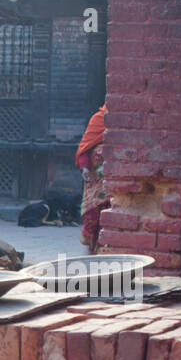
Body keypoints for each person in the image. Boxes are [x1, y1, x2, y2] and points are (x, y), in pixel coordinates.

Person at [76, 104, 109, 253]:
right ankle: (90, 254)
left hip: (115, 185)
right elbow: (84, 148)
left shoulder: (126, 120)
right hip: (94, 183)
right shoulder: (98, 119)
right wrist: (84, 168)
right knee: (92, 219)